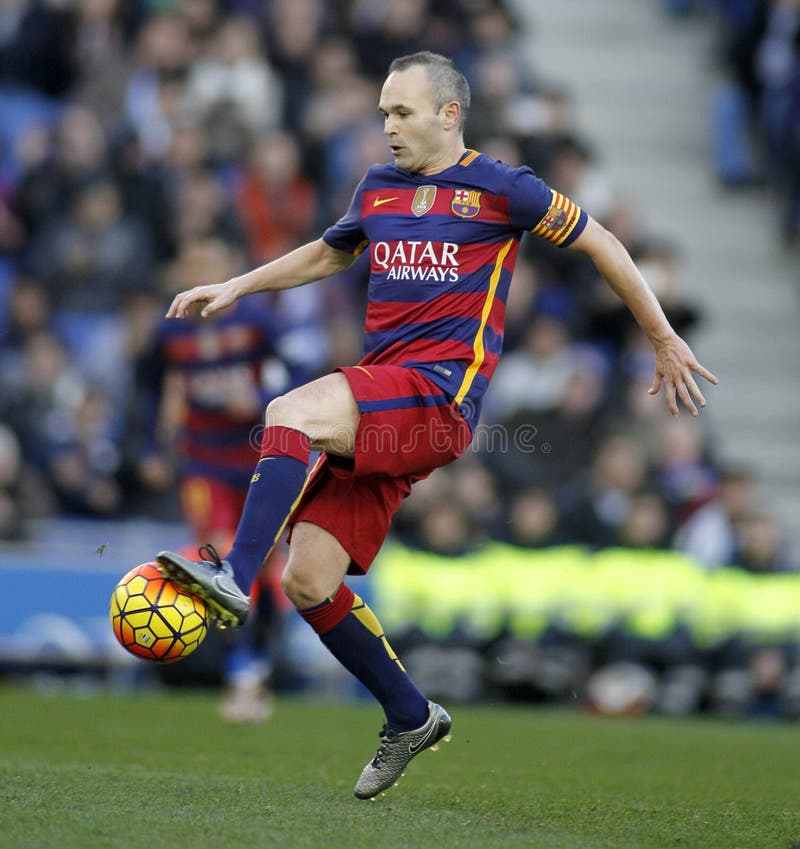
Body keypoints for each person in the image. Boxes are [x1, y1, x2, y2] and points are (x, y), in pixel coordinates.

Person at [154, 51, 717, 799]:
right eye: (384, 111)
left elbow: (600, 242)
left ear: (449, 115)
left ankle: (231, 573)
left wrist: (661, 333)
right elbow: (330, 251)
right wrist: (238, 284)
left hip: (439, 397)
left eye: (402, 112)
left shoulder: (502, 188)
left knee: (290, 411)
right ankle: (410, 714)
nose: (387, 125)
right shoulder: (379, 188)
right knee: (312, 580)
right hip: (386, 406)